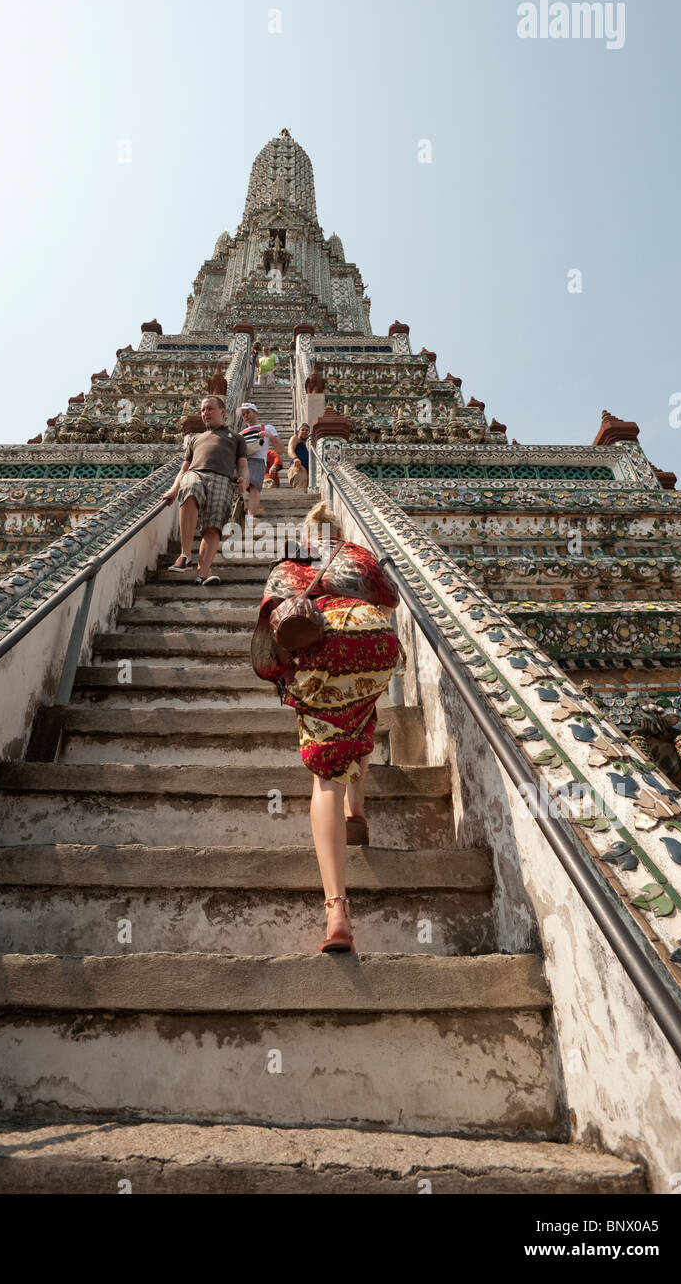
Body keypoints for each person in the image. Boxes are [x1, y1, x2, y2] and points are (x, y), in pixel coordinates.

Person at [250, 503, 402, 953]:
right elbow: (389, 598)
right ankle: (357, 813)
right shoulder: (354, 553)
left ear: (307, 533)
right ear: (336, 532)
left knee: (324, 773)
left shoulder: (290, 563)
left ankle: (337, 909)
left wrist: (288, 679)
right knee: (360, 714)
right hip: (375, 643)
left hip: (323, 650)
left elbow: (271, 624)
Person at [162, 395, 249, 587]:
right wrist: (173, 489)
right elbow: (183, 469)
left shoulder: (236, 438)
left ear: (222, 412)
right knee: (190, 489)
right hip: (196, 473)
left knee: (213, 526)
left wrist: (244, 480)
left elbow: (242, 465)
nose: (205, 413)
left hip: (223, 479)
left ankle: (202, 574)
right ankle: (185, 554)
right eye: (202, 410)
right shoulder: (195, 439)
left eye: (209, 409)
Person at [237, 401, 285, 518]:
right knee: (241, 485)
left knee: (254, 487)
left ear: (255, 413)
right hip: (243, 461)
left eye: (248, 412)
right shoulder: (240, 433)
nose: (245, 416)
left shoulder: (267, 428)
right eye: (243, 414)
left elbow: (281, 449)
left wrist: (269, 436)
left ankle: (250, 516)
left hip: (258, 460)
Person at [287, 423, 310, 491]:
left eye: (307, 430)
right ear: (298, 431)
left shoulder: (306, 446)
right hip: (298, 468)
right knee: (301, 491)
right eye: (302, 430)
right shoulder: (295, 438)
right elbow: (290, 449)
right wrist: (295, 458)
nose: (305, 432)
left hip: (305, 471)